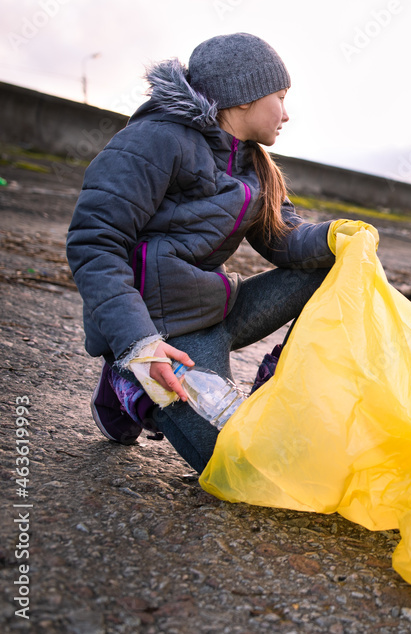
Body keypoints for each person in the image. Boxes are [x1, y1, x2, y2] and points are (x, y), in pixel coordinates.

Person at [67, 33, 348, 472]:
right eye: (280, 96)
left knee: (336, 268)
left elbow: (283, 239)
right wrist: (139, 345)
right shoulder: (154, 141)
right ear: (243, 98)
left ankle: (275, 387)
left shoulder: (255, 165)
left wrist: (338, 238)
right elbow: (94, 242)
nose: (287, 113)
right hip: (164, 336)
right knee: (236, 469)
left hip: (218, 308)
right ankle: (127, 380)